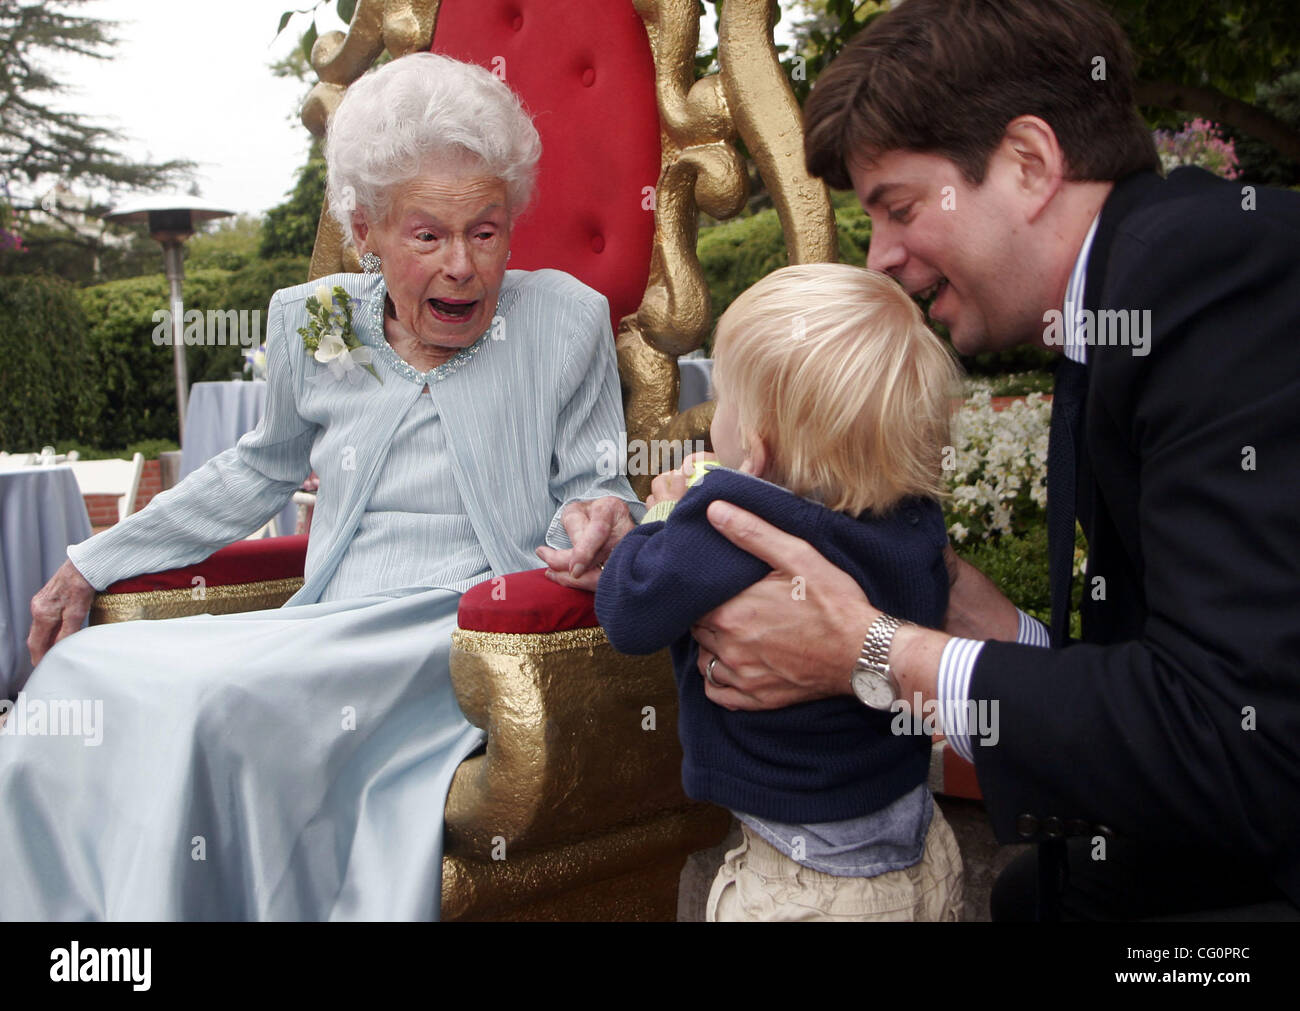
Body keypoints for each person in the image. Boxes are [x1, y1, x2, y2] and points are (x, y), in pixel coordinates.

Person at [682, 0, 1300, 920]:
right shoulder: (1120, 303)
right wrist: (979, 615)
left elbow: (1240, 738)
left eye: (896, 208)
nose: (882, 259)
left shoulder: (1214, 280)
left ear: (1029, 163)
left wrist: (875, 650)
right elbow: (1168, 668)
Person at [1, 52, 639, 921]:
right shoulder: (320, 319)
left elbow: (602, 488)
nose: (462, 266)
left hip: (467, 626)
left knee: (214, 702)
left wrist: (605, 517)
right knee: (86, 672)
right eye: (427, 235)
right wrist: (91, 561)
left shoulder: (565, 318)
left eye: (485, 232)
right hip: (327, 614)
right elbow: (255, 469)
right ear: (365, 229)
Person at [591, 264, 964, 921]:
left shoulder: (734, 522)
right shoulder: (912, 517)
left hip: (800, 883)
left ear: (756, 447)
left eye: (725, 400)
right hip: (921, 847)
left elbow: (629, 611)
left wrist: (663, 516)